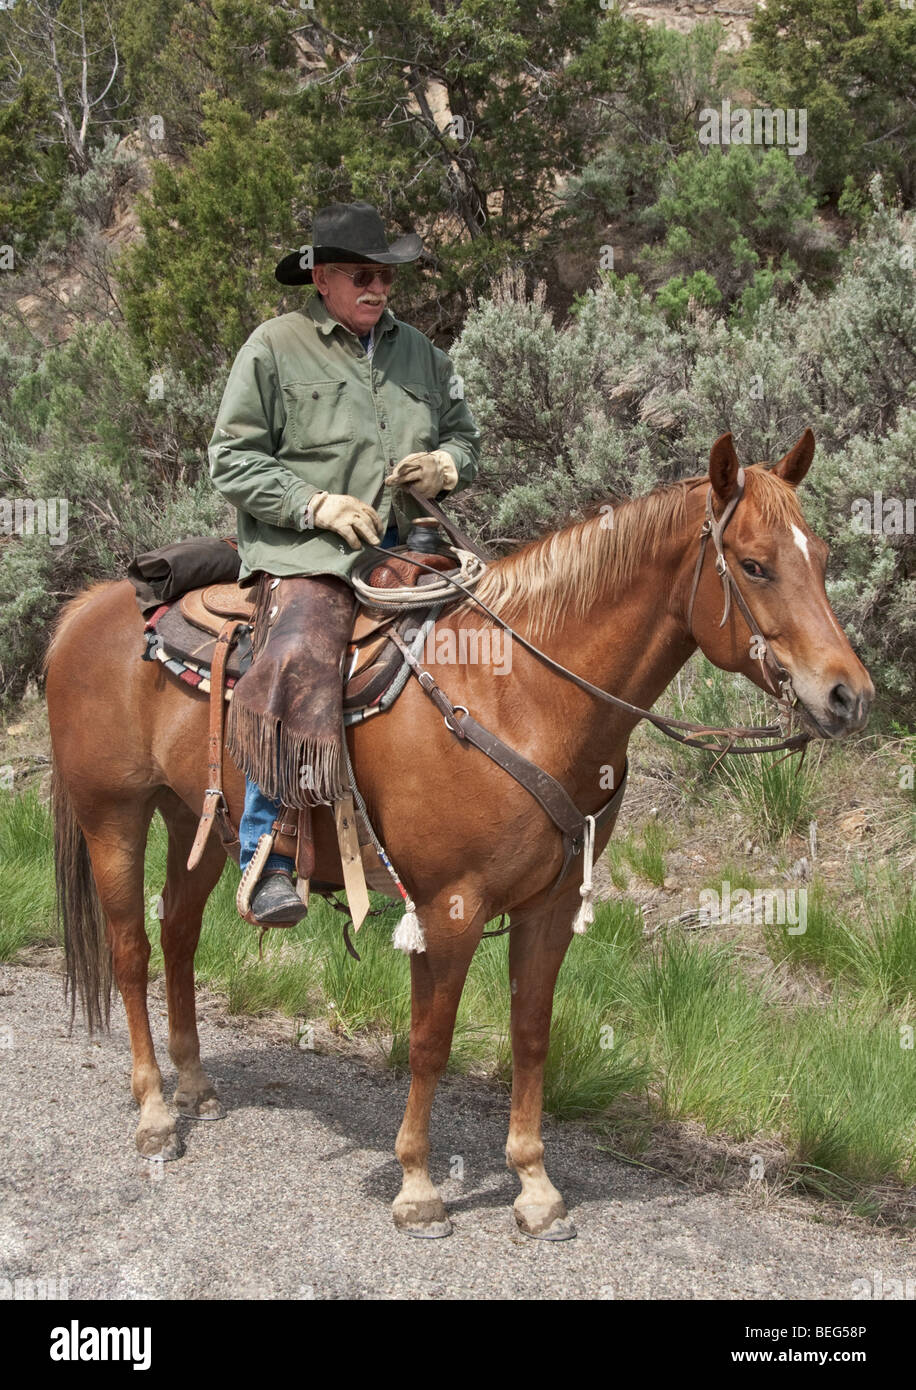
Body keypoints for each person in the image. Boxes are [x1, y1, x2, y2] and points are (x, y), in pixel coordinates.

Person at [207, 202, 481, 923]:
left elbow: (465, 435)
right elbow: (231, 458)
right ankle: (269, 853)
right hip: (310, 552)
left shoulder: (423, 353)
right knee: (300, 649)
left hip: (416, 546)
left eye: (386, 276)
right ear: (322, 278)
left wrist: (445, 466)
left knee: (494, 636)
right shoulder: (273, 347)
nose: (379, 288)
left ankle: (453, 835)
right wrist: (316, 504)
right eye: (362, 274)